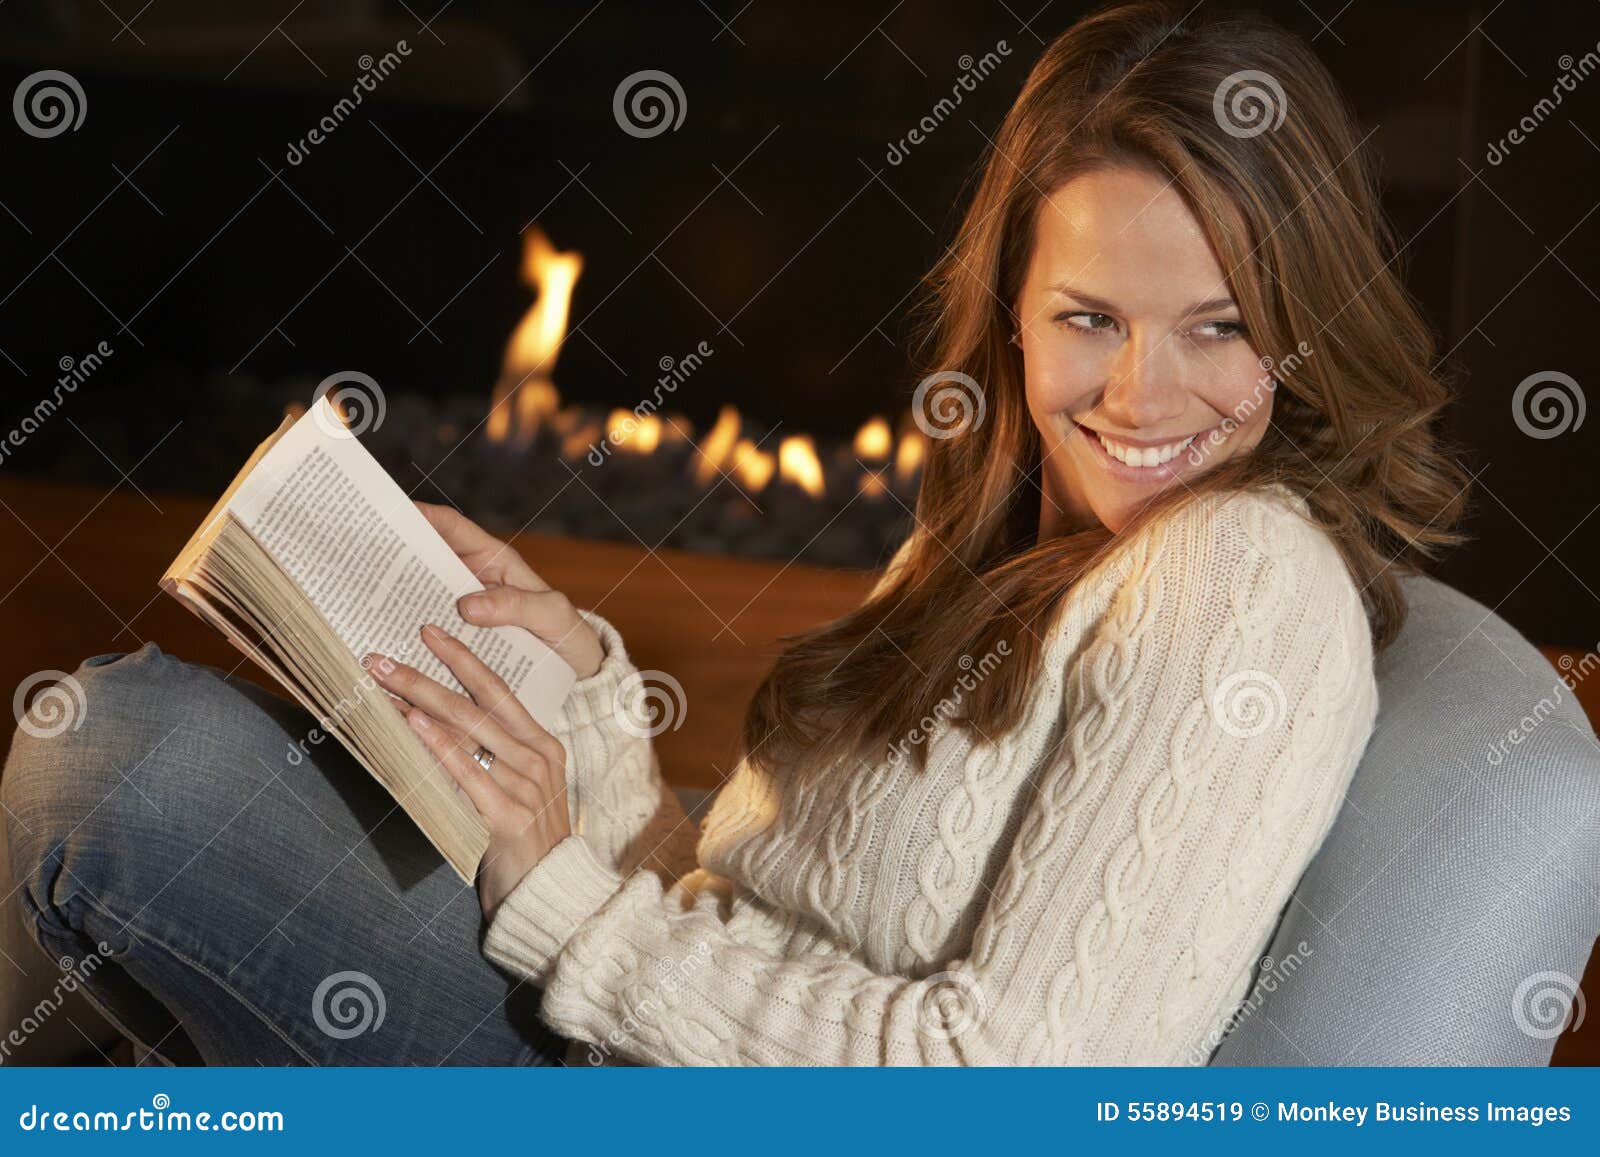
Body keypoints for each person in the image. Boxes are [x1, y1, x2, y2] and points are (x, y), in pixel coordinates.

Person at [2, 0, 1466, 1065]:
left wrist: (568, 909)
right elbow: (741, 899)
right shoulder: (1021, 533)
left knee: (119, 752)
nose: (1141, 397)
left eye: (1218, 328)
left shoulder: (1241, 578)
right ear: (1013, 307)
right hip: (628, 1049)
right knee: (154, 776)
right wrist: (579, 688)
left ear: (1303, 329)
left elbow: (1013, 1086)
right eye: (1090, 319)